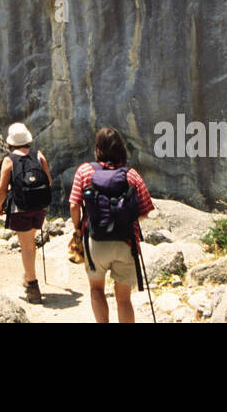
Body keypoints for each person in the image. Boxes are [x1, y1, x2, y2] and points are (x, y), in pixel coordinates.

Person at [69, 127, 154, 323]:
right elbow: (146, 210)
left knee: (96, 289)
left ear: (97, 148)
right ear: (121, 149)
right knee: (124, 298)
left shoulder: (85, 171)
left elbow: (74, 204)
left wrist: (77, 228)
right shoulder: (131, 175)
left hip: (95, 241)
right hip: (126, 242)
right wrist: (126, 220)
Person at [0, 122, 52, 304]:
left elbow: (2, 188)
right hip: (39, 208)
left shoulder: (9, 160)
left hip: (21, 208)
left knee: (26, 246)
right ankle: (28, 277)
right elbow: (48, 181)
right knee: (30, 244)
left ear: (11, 142)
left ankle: (32, 286)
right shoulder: (39, 155)